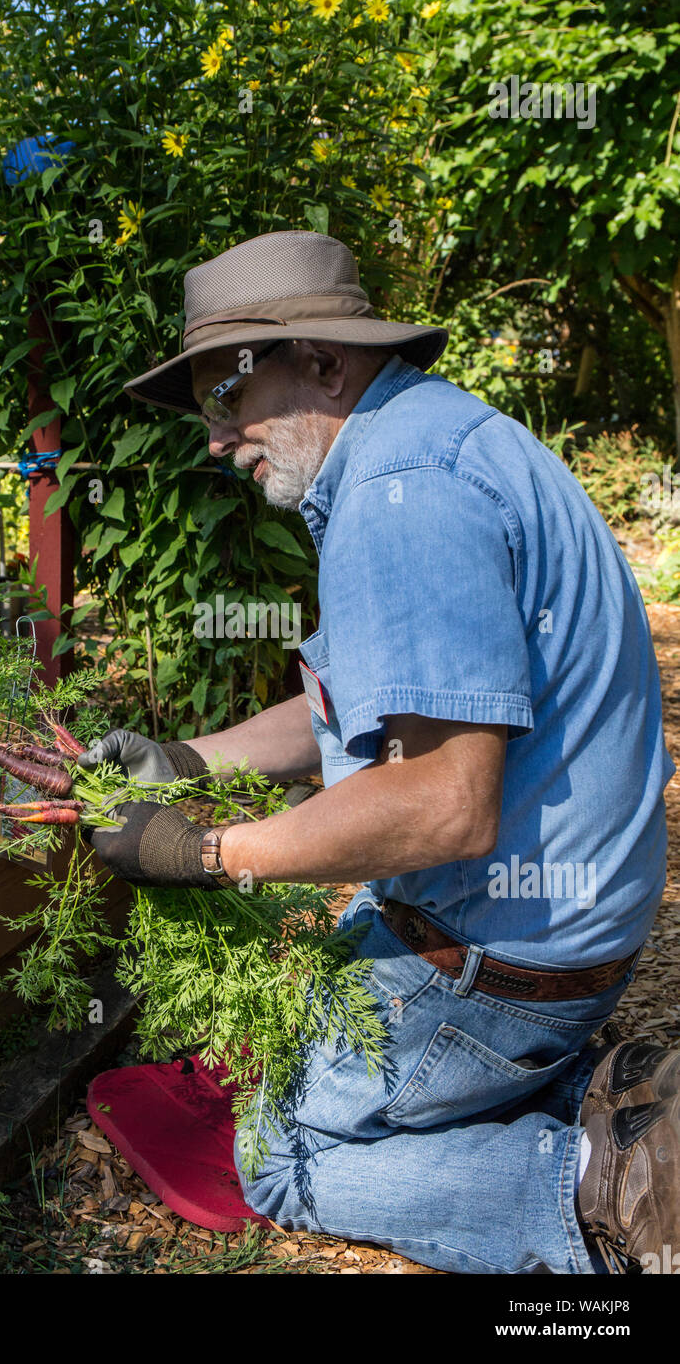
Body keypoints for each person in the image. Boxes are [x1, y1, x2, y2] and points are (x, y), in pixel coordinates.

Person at [84, 229, 679, 1274]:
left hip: (507, 958)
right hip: (555, 926)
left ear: (322, 362)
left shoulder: (402, 496)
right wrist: (186, 759)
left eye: (227, 396)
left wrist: (205, 851)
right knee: (286, 1050)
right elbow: (351, 710)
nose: (215, 440)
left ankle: (595, 1183)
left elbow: (446, 806)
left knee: (273, 1157)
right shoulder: (426, 446)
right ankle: (563, 1087)